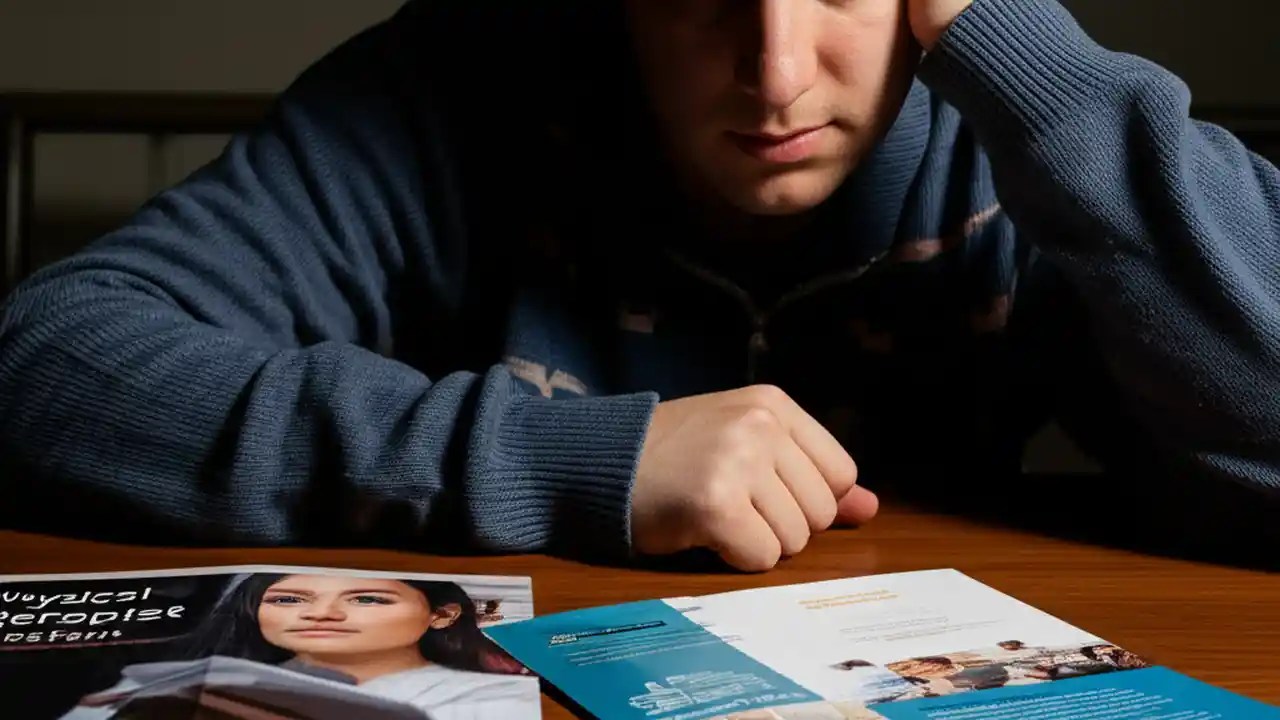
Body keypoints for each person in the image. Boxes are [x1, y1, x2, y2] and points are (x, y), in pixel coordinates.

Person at [1, 0, 1277, 572]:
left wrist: (1033, 61)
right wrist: (567, 461)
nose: (772, 71)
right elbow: (48, 365)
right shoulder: (457, 83)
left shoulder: (1021, 130)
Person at [63, 573, 539, 720]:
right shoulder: (155, 687)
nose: (322, 614)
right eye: (289, 598)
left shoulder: (496, 701)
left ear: (442, 613)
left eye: (367, 598)